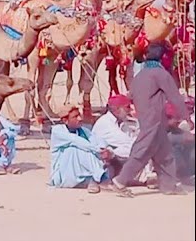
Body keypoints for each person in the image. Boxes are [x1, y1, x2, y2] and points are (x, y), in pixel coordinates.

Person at [110, 41, 188, 196]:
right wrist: (186, 117)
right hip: (155, 119)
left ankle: (168, 185)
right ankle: (120, 181)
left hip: (146, 117)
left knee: (164, 153)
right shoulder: (160, 74)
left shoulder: (140, 76)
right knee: (142, 152)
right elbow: (174, 96)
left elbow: (131, 95)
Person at [48, 103, 111, 192]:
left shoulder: (83, 130)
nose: (80, 119)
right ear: (65, 120)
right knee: (73, 149)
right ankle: (98, 178)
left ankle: (94, 178)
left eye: (79, 115)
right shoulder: (57, 131)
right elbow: (76, 140)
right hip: (64, 173)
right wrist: (97, 150)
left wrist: (103, 149)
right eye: (75, 117)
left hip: (81, 168)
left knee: (91, 149)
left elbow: (96, 140)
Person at [90, 94, 138, 181]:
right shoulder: (105, 123)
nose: (130, 110)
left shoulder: (125, 121)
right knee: (141, 150)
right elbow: (130, 143)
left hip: (121, 155)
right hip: (106, 161)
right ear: (117, 109)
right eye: (127, 107)